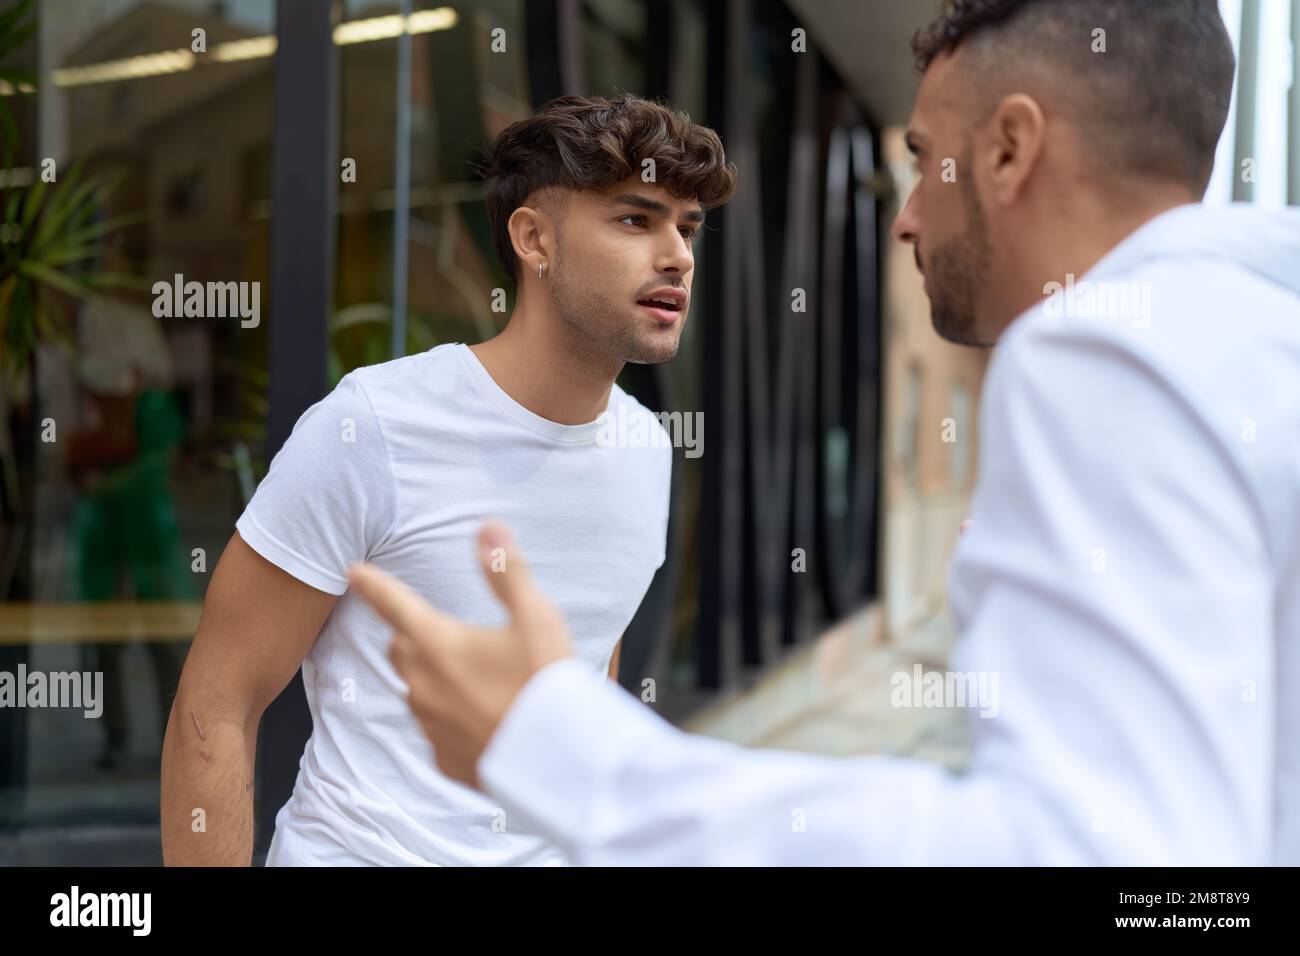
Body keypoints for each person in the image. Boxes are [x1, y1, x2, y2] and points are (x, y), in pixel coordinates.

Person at [349, 0, 1300, 865]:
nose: (908, 218)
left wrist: (563, 757)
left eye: (926, 161)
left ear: (1010, 149)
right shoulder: (1256, 328)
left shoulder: (1100, 352)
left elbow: (1100, 856)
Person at [160, 94, 736, 866]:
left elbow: (588, 687)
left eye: (687, 227)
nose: (679, 255)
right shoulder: (373, 426)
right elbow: (217, 703)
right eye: (636, 220)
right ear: (533, 239)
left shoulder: (645, 448)